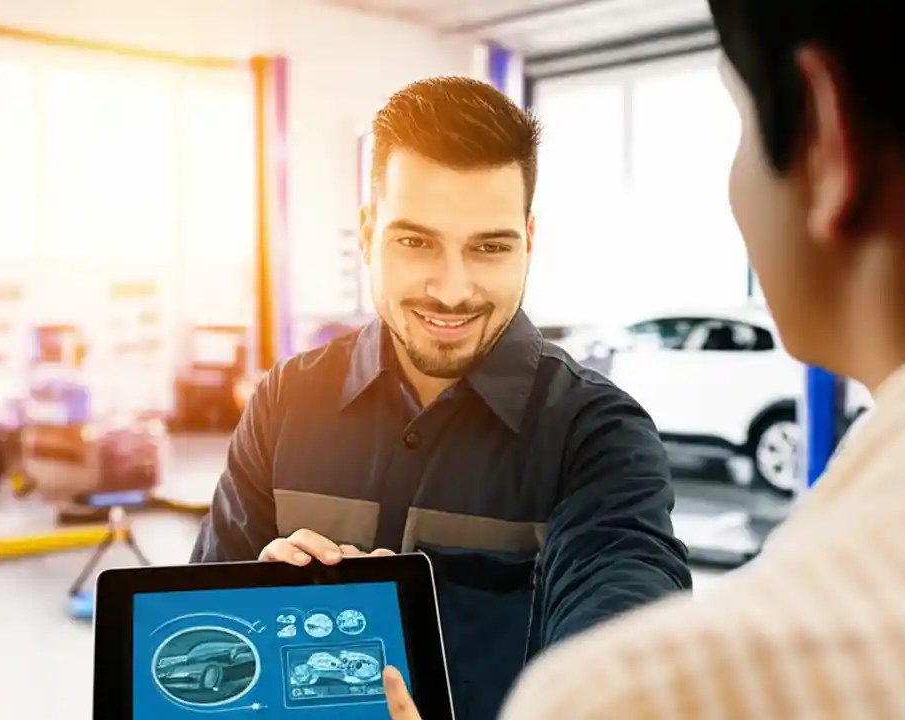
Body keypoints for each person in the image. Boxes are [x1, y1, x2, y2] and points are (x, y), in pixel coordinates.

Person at [386, 2, 905, 718]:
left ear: (827, 142)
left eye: (736, 122)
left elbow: (620, 579)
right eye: (414, 240)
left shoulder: (666, 691)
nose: (451, 286)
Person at [191, 76, 693, 720]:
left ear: (529, 245)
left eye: (488, 247)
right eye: (415, 241)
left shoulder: (597, 436)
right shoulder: (286, 401)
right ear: (370, 232)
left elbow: (625, 628)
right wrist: (253, 603)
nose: (452, 290)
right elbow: (199, 624)